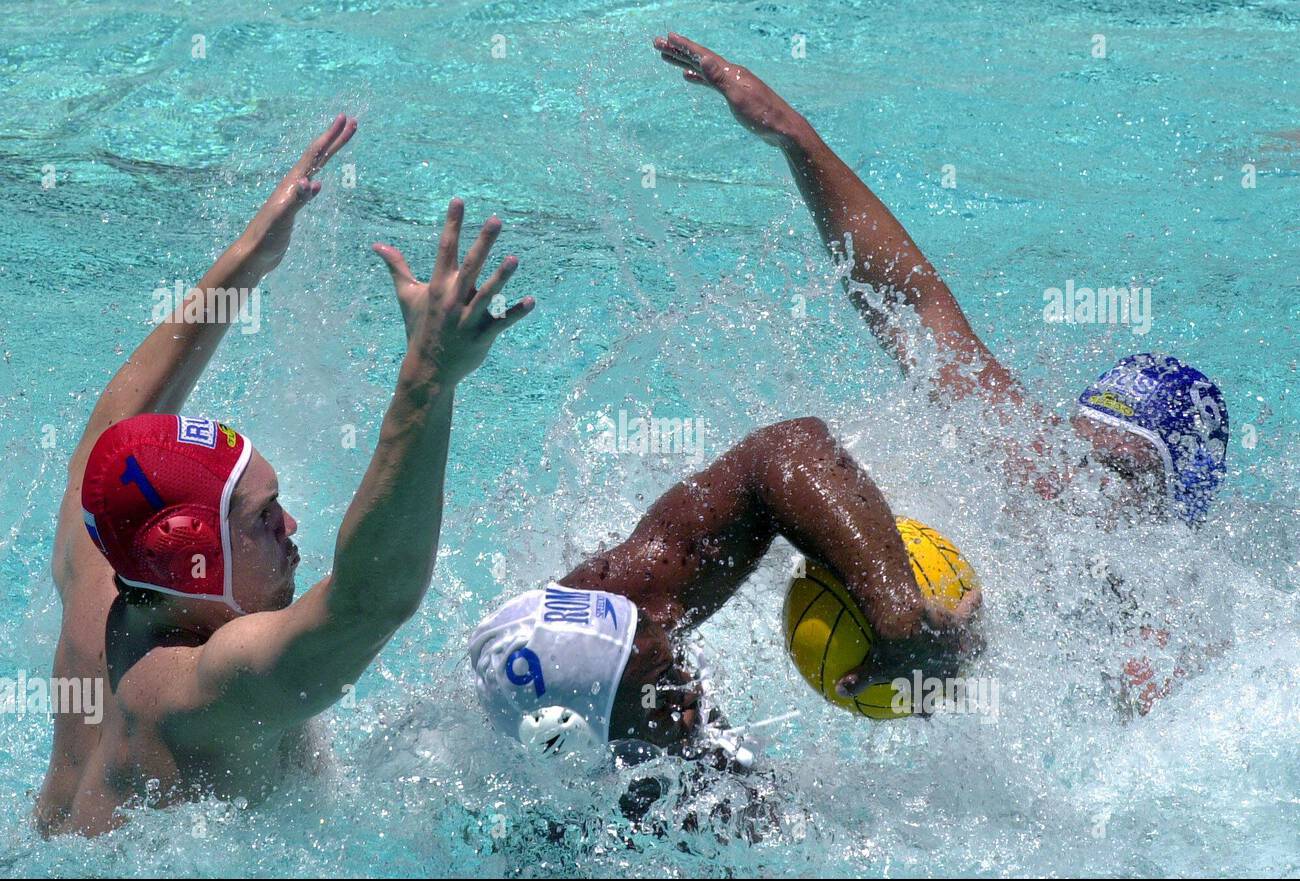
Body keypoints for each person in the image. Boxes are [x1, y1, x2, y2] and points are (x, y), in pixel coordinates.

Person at [651, 33, 1232, 711]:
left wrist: (968, 662)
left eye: (1121, 472)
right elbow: (910, 304)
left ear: (1174, 509)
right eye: (1077, 446)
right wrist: (794, 136)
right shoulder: (1036, 475)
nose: (1079, 481)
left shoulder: (1187, 643)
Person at [36, 114, 535, 836]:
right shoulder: (200, 689)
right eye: (266, 519)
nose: (293, 526)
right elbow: (371, 602)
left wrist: (250, 258)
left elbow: (117, 433)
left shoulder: (109, 577)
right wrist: (428, 381)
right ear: (197, 557)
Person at [469, 416, 982, 764]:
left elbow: (785, 452)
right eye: (663, 694)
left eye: (671, 661)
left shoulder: (620, 610)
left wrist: (894, 608)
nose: (690, 691)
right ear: (579, 742)